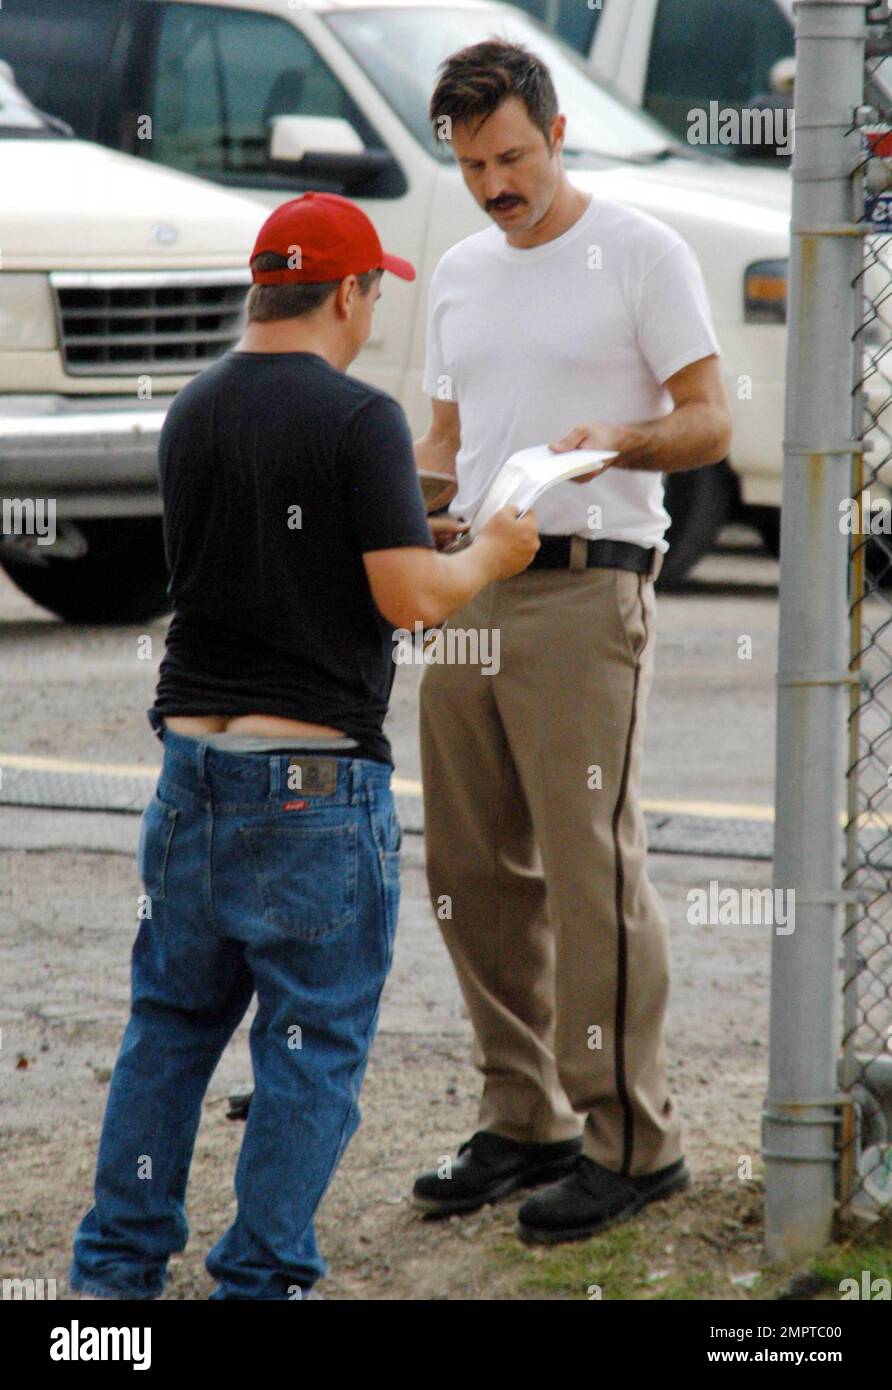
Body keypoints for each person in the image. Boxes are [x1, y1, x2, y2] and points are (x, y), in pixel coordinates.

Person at [68, 191, 539, 1300]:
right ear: (348, 294)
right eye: (372, 293)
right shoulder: (359, 417)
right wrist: (490, 554)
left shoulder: (193, 407)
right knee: (310, 1045)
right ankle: (262, 1277)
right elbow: (408, 598)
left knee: (169, 1029)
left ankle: (115, 1276)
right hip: (312, 785)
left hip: (192, 771)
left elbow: (264, 558)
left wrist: (404, 535)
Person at [411, 41, 733, 1244]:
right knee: (468, 870)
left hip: (586, 591)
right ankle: (524, 1116)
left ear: (555, 132)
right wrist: (405, 507)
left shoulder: (641, 251)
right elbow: (447, 440)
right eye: (471, 165)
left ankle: (632, 1140)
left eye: (511, 157)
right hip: (468, 588)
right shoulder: (459, 271)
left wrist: (623, 440)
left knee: (588, 869)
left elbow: (708, 422)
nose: (494, 184)